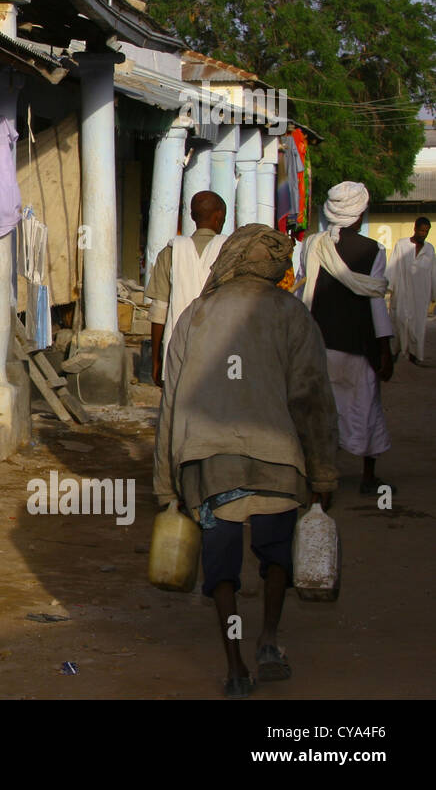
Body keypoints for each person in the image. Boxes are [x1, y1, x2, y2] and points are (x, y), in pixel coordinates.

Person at [155, 225, 338, 699]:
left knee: (221, 568)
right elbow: (312, 397)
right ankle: (270, 642)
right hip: (277, 457)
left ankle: (235, 665)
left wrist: (165, 485)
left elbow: (170, 404)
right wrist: (323, 471)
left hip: (210, 461)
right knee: (276, 557)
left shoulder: (195, 315)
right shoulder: (291, 314)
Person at [298, 182, 395, 494]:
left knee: (321, 409)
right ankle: (368, 478)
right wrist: (384, 349)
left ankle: (320, 475)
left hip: (318, 343)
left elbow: (305, 291)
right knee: (365, 406)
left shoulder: (311, 245)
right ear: (360, 211)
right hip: (358, 345)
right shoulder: (372, 250)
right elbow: (376, 303)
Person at [146, 190, 229, 387]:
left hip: (177, 350)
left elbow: (159, 311)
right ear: (219, 217)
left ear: (192, 216)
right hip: (222, 351)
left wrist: (157, 361)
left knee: (177, 411)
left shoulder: (171, 252)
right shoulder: (230, 251)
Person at [385, 216, 435, 365]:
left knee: (418, 326)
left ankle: (416, 355)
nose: (423, 234)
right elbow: (393, 265)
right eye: (421, 230)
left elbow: (433, 273)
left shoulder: (429, 249)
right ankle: (394, 352)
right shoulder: (402, 245)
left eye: (426, 231)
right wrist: (390, 287)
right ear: (415, 228)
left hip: (420, 295)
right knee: (398, 321)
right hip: (402, 292)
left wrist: (433, 294)